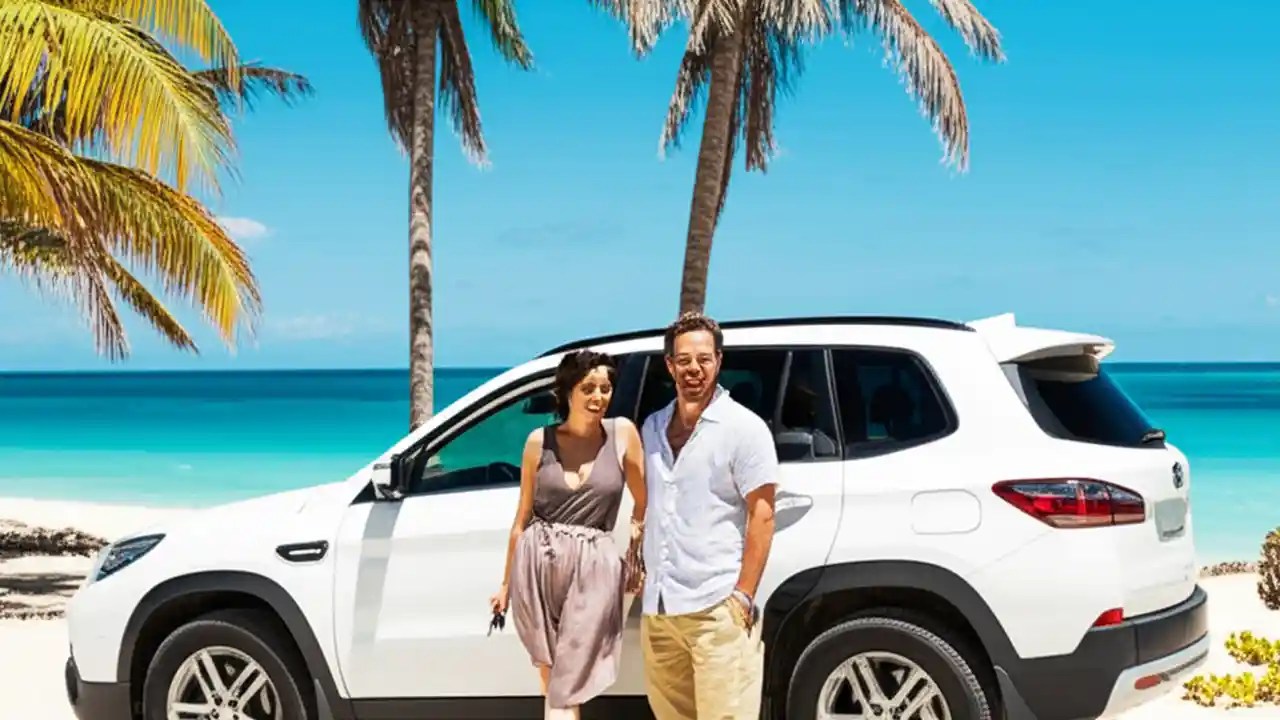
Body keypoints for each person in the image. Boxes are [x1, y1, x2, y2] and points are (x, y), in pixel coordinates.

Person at [490, 349, 648, 720]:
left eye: (605, 388)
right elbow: (521, 519)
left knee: (568, 678)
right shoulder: (537, 442)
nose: (598, 397)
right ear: (567, 393)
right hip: (537, 565)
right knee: (552, 677)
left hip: (595, 569)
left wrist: (635, 554)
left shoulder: (623, 434)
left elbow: (645, 501)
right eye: (588, 388)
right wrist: (505, 585)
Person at [639, 311, 779, 720]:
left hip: (716, 609)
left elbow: (763, 514)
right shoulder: (652, 427)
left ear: (718, 361)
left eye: (703, 359)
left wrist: (743, 596)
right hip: (661, 614)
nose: (693, 369)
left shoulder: (743, 429)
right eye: (683, 360)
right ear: (670, 366)